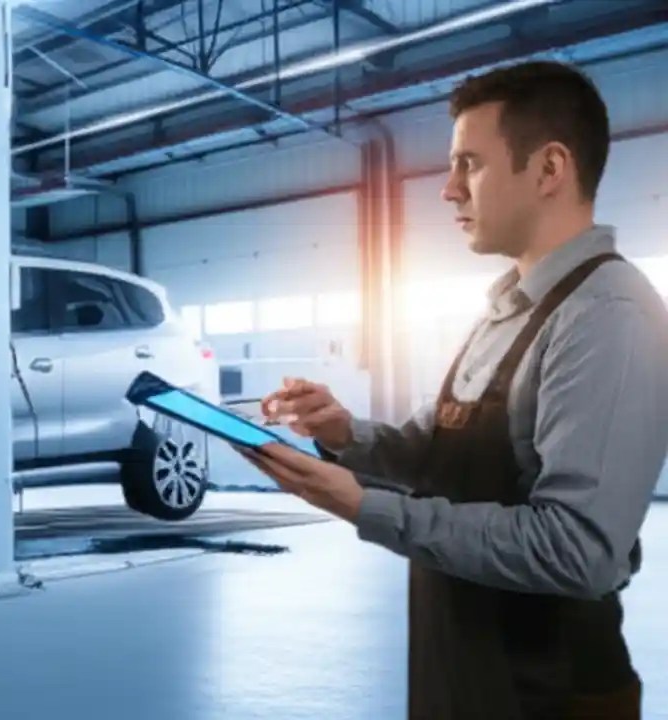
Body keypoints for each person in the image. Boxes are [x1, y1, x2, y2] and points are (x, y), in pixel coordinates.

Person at [236, 60, 668, 719]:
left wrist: (363, 506)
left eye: (470, 164)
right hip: (463, 674)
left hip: (548, 693)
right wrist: (343, 433)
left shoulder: (608, 315)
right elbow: (434, 447)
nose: (448, 190)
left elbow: (576, 551)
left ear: (549, 170)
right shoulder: (507, 307)